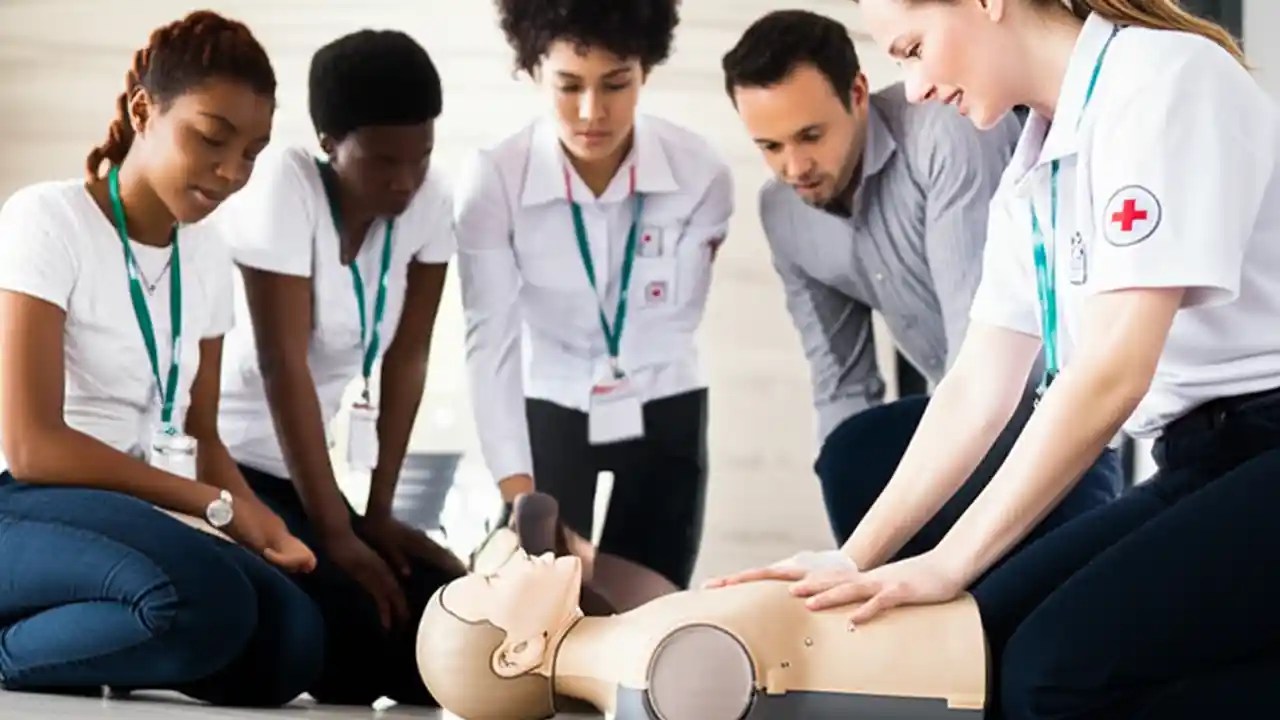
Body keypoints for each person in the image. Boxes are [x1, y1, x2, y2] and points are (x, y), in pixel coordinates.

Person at [715, 1, 1280, 718]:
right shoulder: (1034, 166)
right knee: (974, 644)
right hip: (1200, 457)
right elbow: (978, 386)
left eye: (914, 48)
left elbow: (1113, 370)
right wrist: (852, 559)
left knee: (1052, 672)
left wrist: (948, 560)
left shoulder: (1165, 81)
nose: (913, 89)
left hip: (1267, 443)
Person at [0, 10, 324, 706]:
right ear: (145, 110)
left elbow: (200, 434)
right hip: (20, 503)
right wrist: (215, 507)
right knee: (204, 603)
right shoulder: (46, 220)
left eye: (252, 152)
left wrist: (256, 517)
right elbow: (32, 447)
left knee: (293, 646)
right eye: (211, 138)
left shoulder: (206, 254)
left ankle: (106, 643)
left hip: (127, 513)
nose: (231, 171)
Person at [720, 9, 1122, 551]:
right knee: (850, 453)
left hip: (1044, 419)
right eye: (770, 147)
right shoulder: (785, 214)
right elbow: (842, 385)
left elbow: (980, 361)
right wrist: (861, 546)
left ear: (858, 93)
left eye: (810, 135)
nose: (794, 167)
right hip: (951, 427)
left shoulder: (946, 130)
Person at [209, 29, 464, 707]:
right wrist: (334, 532)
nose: (404, 180)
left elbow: (409, 358)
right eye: (382, 160)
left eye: (421, 156)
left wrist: (379, 514)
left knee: (435, 621)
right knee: (355, 633)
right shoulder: (283, 186)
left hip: (300, 476)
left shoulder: (432, 198)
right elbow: (281, 363)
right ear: (328, 141)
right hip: (222, 464)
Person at [456, 0, 734, 590]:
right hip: (550, 396)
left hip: (663, 398)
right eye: (568, 85)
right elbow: (491, 344)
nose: (592, 112)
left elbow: (674, 321)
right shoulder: (493, 180)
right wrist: (518, 492)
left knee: (645, 610)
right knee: (542, 600)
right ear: (534, 71)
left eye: (616, 84)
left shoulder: (702, 173)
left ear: (646, 72)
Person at [416, 545, 987, 719]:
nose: (514, 555)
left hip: (957, 619)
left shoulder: (636, 649)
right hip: (975, 664)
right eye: (493, 578)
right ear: (518, 653)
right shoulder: (655, 677)